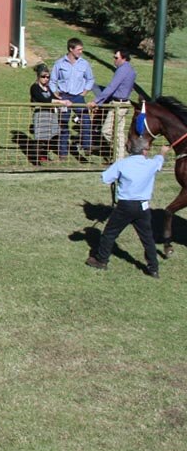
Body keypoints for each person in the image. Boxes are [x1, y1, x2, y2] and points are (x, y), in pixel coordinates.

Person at [86, 141, 170, 278]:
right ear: (144, 151)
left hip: (125, 206)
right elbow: (159, 160)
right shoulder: (151, 164)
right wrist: (162, 152)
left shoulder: (122, 164)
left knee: (110, 233)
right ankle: (153, 268)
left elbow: (105, 178)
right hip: (143, 207)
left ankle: (101, 260)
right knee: (147, 238)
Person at [50, 37, 96, 159]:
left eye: (82, 49)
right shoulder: (59, 63)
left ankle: (87, 147)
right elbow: (53, 80)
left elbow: (90, 79)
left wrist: (84, 93)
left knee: (86, 121)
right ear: (71, 49)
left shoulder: (84, 64)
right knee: (63, 124)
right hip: (64, 96)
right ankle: (63, 152)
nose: (81, 52)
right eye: (79, 49)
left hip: (78, 97)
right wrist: (55, 93)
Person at [91, 49, 137, 153]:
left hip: (118, 104)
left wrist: (96, 101)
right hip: (123, 103)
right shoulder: (131, 69)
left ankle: (118, 151)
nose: (114, 60)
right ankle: (119, 155)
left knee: (107, 131)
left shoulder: (122, 70)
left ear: (124, 58)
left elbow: (112, 87)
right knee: (118, 132)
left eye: (116, 58)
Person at [29, 63, 63, 165]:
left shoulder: (48, 88)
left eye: (48, 77)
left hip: (50, 114)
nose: (46, 79)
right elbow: (43, 100)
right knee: (40, 138)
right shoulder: (34, 87)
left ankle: (43, 155)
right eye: (43, 76)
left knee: (52, 136)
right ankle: (35, 159)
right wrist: (58, 101)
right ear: (38, 76)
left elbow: (53, 97)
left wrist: (62, 99)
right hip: (41, 115)